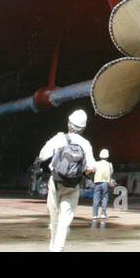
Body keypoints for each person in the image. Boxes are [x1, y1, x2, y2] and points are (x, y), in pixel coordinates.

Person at [39, 108, 96, 251]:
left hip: (56, 182)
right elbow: (91, 167)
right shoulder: (86, 144)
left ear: (68, 124)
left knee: (54, 217)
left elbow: (42, 156)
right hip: (73, 185)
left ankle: (53, 246)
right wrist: (78, 171)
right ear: (83, 128)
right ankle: (59, 247)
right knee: (65, 220)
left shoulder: (59, 138)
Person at [91, 148, 114, 222]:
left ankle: (95, 215)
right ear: (107, 156)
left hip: (97, 182)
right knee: (105, 198)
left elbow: (93, 171)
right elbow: (111, 173)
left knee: (96, 198)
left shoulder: (96, 163)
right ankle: (103, 214)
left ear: (100, 156)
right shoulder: (109, 164)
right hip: (105, 183)